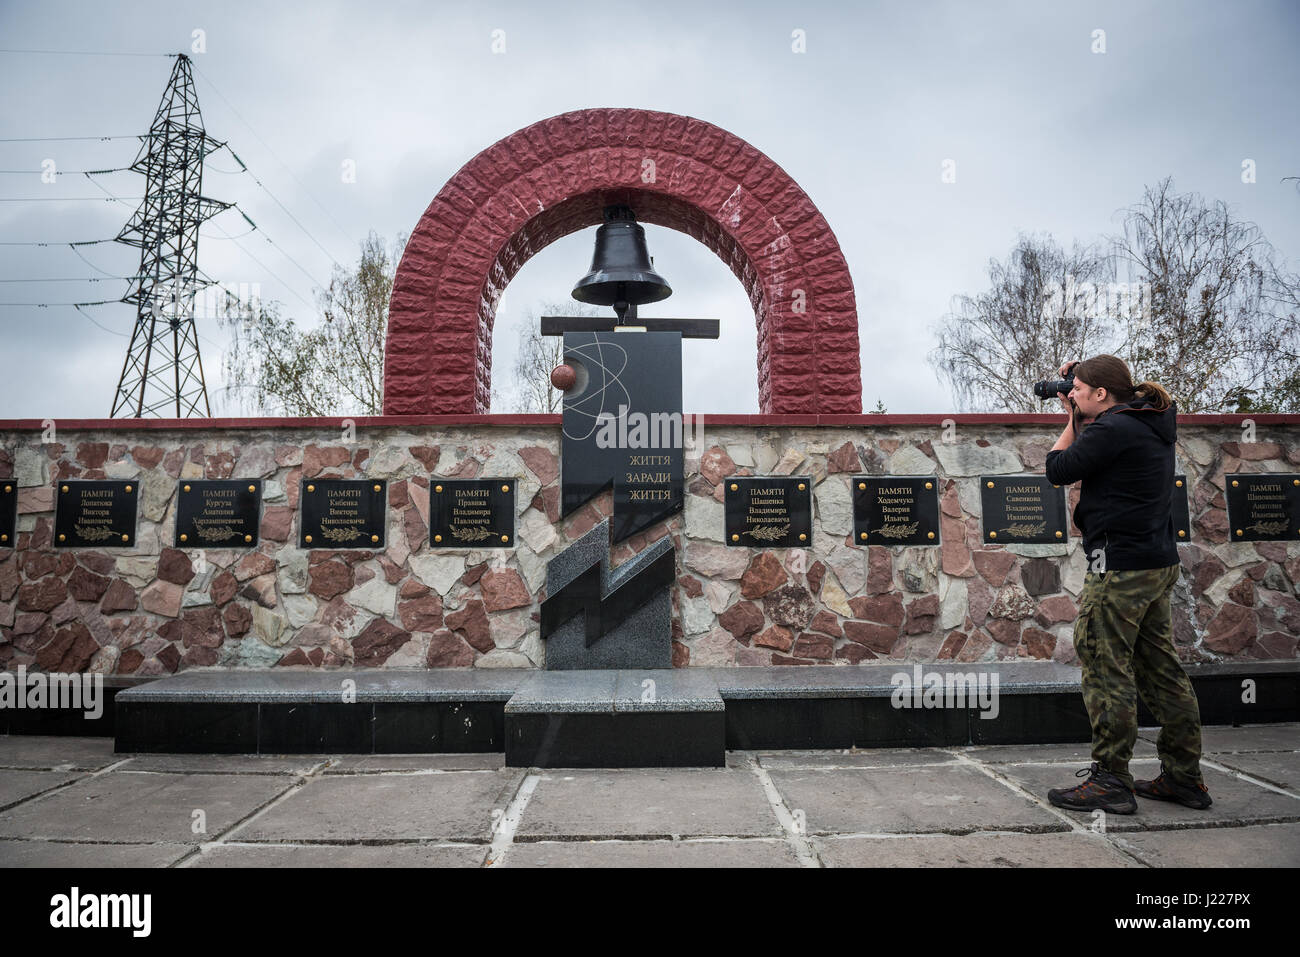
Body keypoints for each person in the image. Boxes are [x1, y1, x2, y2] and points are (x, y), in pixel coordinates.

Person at [1042, 354, 1212, 814]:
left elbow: (1057, 468)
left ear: (1101, 394)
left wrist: (1073, 419)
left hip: (1119, 567)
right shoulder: (1151, 419)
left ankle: (1111, 780)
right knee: (1161, 670)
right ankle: (1184, 779)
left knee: (1103, 662)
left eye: (1077, 388)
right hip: (1155, 563)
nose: (1071, 394)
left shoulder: (1112, 428)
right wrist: (1080, 408)